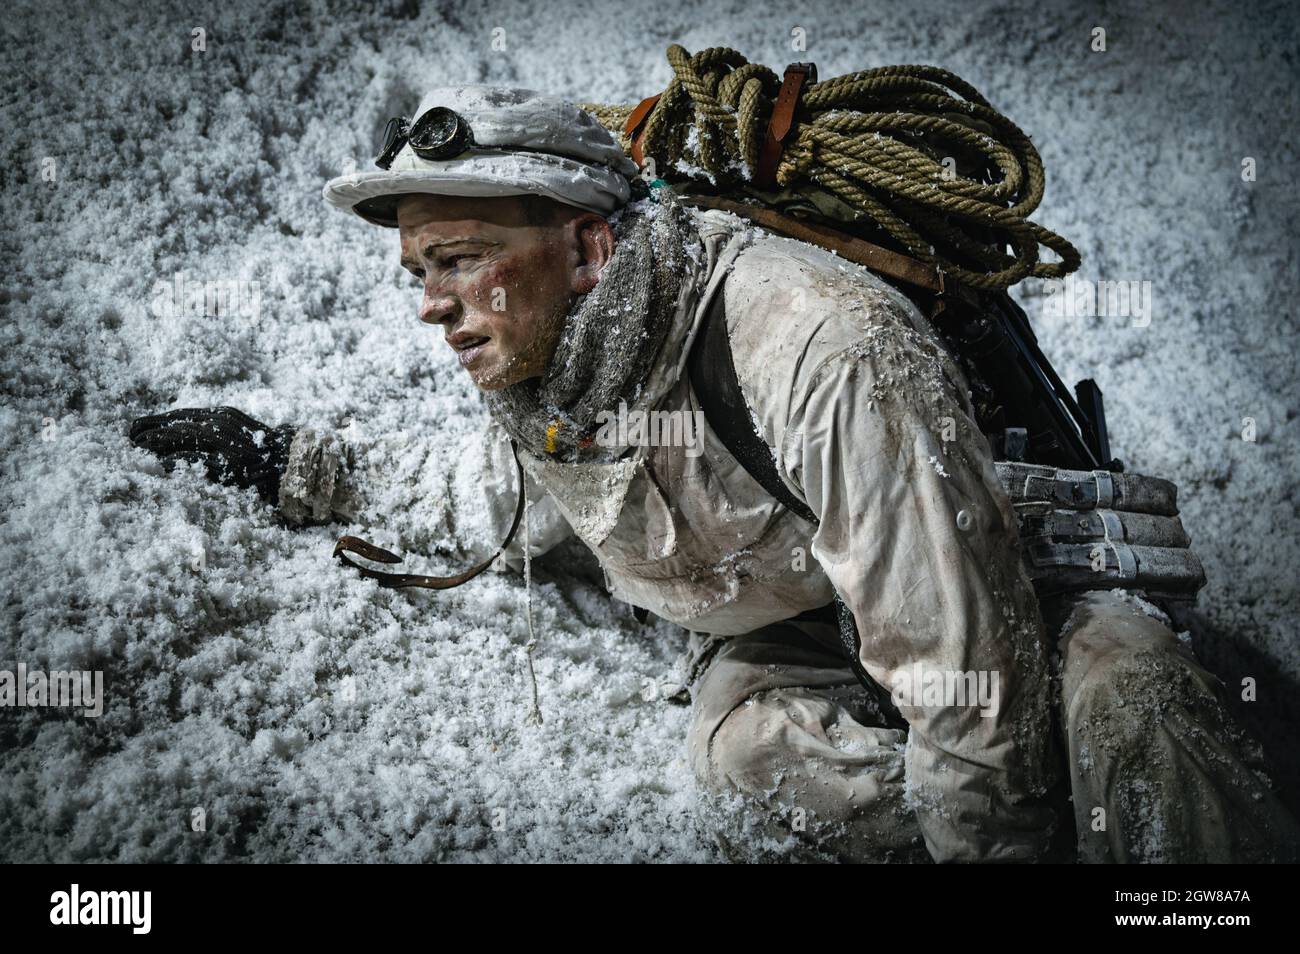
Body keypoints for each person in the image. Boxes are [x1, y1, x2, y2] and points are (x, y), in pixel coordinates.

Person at [130, 85, 1299, 862]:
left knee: (1139, 721)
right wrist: (294, 463)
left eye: (462, 261)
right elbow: (498, 498)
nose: (433, 306)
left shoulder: (821, 348)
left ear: (590, 248)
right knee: (747, 754)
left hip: (1022, 591)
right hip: (813, 614)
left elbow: (957, 654)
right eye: (419, 272)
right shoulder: (562, 369)